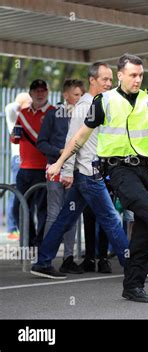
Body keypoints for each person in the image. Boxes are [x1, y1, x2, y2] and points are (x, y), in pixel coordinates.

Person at [44, 55, 148, 303]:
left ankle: (133, 285)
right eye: (133, 75)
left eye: (140, 75)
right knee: (147, 209)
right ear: (120, 75)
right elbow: (80, 137)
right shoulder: (103, 101)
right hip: (119, 170)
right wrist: (60, 163)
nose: (137, 79)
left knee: (145, 228)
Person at [30, 62, 129, 280]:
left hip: (91, 174)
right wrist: (66, 171)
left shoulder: (99, 104)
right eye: (104, 79)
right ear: (92, 80)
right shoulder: (85, 107)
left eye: (111, 79)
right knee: (111, 218)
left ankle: (43, 262)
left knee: (66, 219)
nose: (109, 83)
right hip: (88, 175)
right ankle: (132, 264)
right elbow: (72, 141)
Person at [37, 79, 85, 274]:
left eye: (82, 95)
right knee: (54, 214)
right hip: (55, 171)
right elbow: (41, 143)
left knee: (72, 216)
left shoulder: (85, 116)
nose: (80, 98)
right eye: (76, 95)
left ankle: (68, 258)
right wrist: (60, 153)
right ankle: (45, 260)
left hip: (76, 172)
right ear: (65, 96)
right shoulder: (53, 114)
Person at [11, 79, 55, 246]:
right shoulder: (22, 113)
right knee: (19, 209)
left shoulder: (54, 112)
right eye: (36, 90)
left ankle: (40, 244)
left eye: (43, 90)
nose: (40, 93)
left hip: (45, 168)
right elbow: (15, 138)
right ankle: (29, 241)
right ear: (30, 93)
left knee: (43, 209)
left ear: (47, 93)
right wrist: (15, 136)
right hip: (24, 169)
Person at [4, 92, 32, 240]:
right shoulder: (14, 116)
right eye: (28, 102)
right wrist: (23, 103)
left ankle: (25, 230)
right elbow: (9, 107)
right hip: (18, 160)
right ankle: (12, 228)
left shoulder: (31, 117)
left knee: (30, 195)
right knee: (16, 194)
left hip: (30, 160)